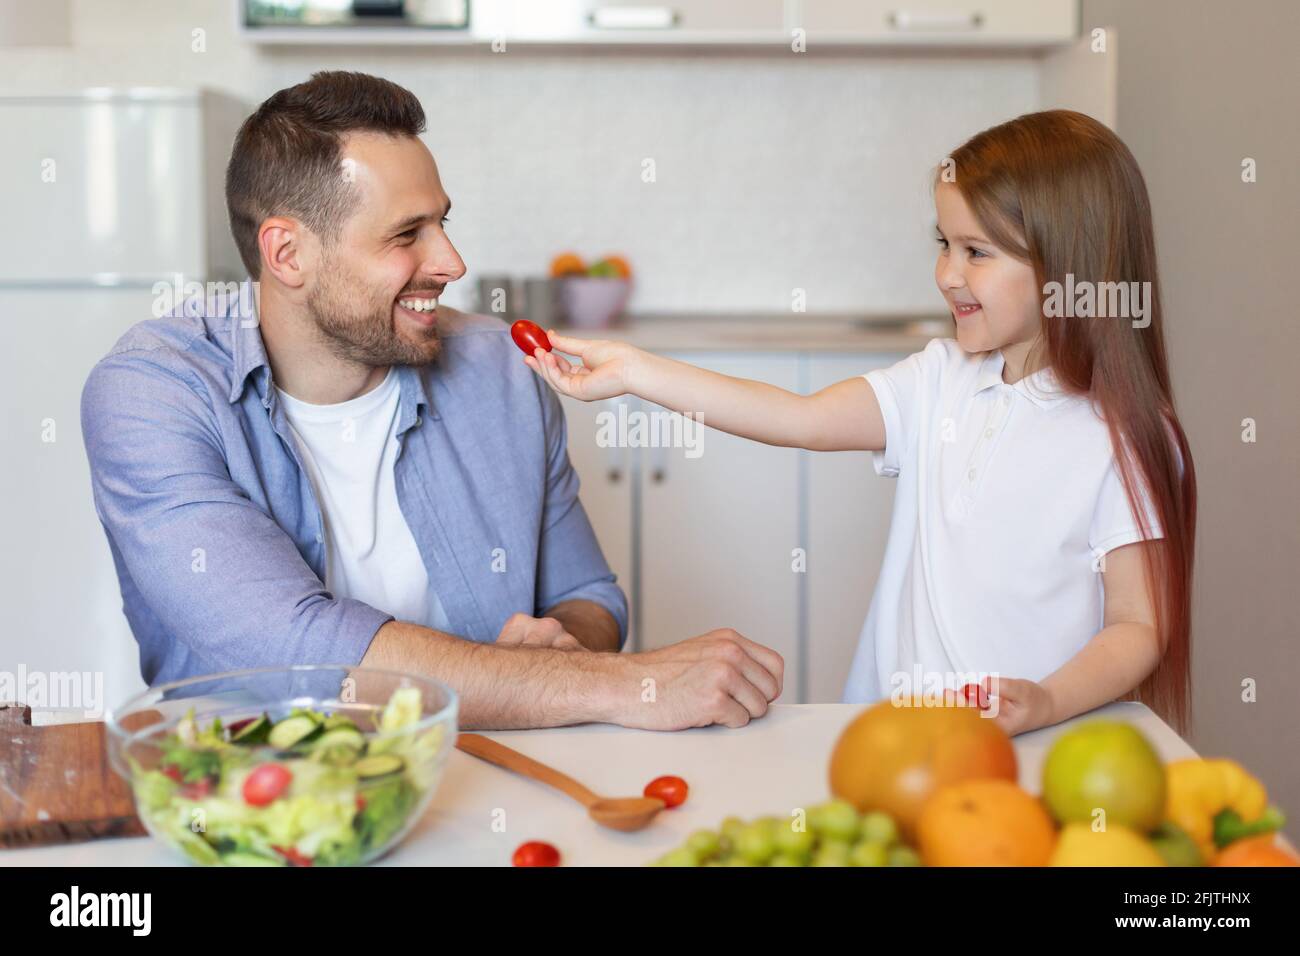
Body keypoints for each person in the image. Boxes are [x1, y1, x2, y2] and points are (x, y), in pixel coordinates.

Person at [80, 70, 783, 731]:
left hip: (487, 775)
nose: (452, 262)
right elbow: (294, 651)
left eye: (442, 223)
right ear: (288, 254)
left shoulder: (500, 372)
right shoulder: (153, 393)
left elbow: (589, 598)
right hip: (251, 810)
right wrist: (626, 685)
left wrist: (558, 648)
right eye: (407, 233)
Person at [527, 110, 1197, 736]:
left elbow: (1139, 624)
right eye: (944, 243)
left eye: (977, 251)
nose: (946, 274)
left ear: (1067, 265)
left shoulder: (1120, 436)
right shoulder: (940, 379)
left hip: (1043, 752)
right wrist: (634, 371)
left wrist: (1045, 700)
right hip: (897, 739)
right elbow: (800, 418)